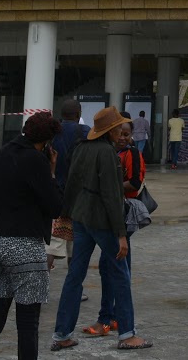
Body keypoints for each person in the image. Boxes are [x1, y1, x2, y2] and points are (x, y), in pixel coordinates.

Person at [52, 106, 151, 351]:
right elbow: (112, 196)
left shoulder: (82, 148)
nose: (121, 132)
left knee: (75, 275)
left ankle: (62, 334)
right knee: (120, 274)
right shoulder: (107, 153)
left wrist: (66, 214)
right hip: (102, 222)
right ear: (110, 131)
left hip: (81, 218)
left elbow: (71, 183)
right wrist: (121, 235)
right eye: (118, 128)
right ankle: (127, 334)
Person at [0, 109, 63, 360]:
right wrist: (52, 172)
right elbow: (55, 207)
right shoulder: (36, 160)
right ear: (47, 141)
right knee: (27, 323)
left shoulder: (1, 154)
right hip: (24, 246)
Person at [50, 99, 88, 195]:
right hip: (78, 188)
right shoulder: (85, 131)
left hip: (55, 185)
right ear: (78, 114)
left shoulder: (52, 131)